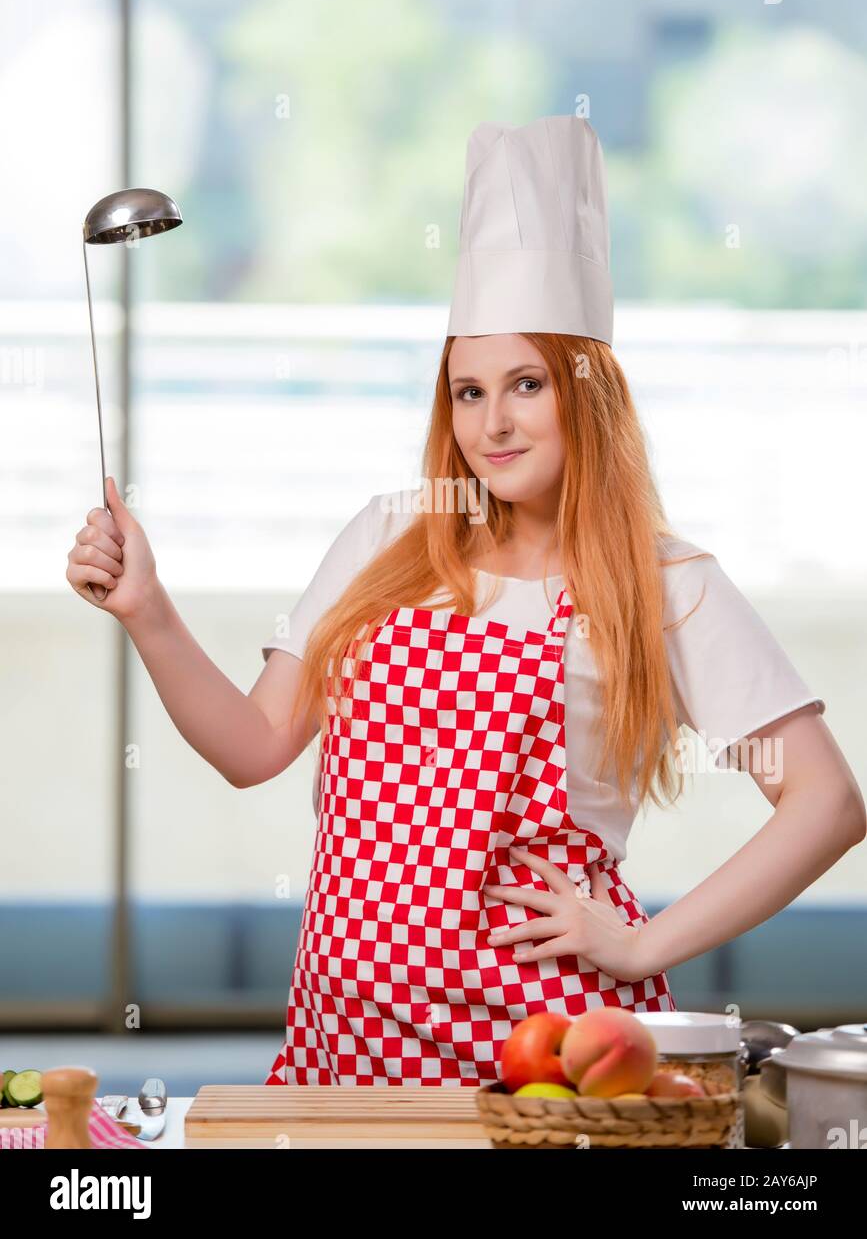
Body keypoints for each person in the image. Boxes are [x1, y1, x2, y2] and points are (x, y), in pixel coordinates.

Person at [66, 116, 866, 1089]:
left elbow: (825, 801)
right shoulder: (388, 536)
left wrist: (641, 944)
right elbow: (252, 745)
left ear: (587, 392)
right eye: (468, 390)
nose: (493, 422)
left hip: (548, 1056)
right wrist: (148, 609)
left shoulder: (666, 584)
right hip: (349, 1048)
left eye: (526, 384)